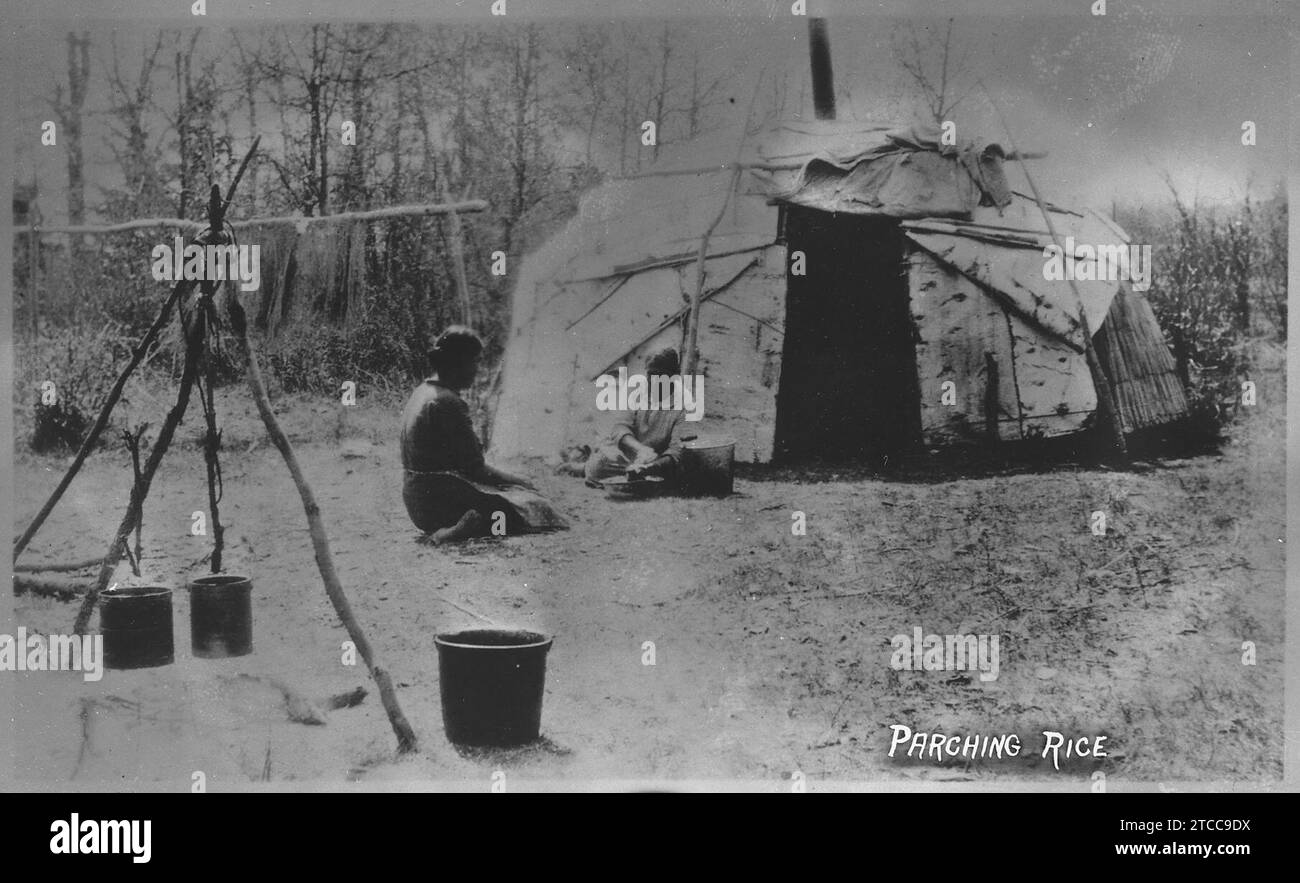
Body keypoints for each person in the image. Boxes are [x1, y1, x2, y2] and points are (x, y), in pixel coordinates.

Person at [400, 326, 567, 543]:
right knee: (534, 506)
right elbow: (476, 470)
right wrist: (521, 482)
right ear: (458, 363)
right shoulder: (447, 402)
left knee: (513, 497)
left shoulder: (422, 392)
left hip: (416, 502)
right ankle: (453, 531)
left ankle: (454, 528)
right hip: (440, 503)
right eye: (475, 361)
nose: (477, 369)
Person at [584, 347, 686, 487]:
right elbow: (620, 427)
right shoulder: (638, 394)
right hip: (631, 457)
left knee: (670, 476)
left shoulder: (683, 407)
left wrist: (648, 467)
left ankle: (638, 477)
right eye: (651, 374)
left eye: (661, 376)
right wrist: (640, 449)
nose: (654, 381)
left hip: (658, 463)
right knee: (598, 465)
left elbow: (676, 452)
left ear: (675, 376)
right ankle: (633, 476)